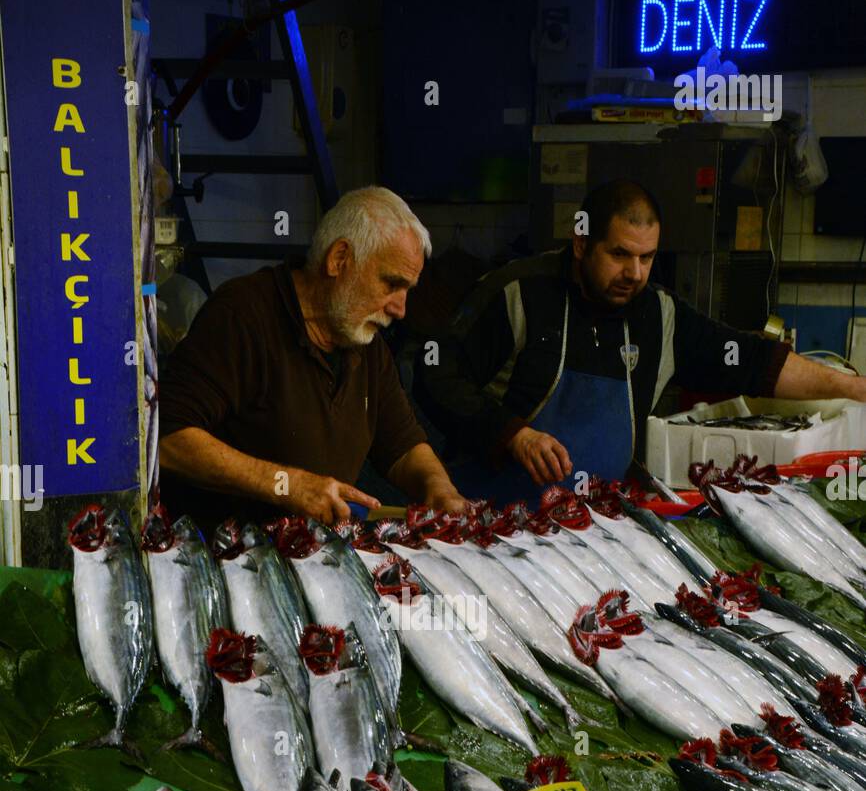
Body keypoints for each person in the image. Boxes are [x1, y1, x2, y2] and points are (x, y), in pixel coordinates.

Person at [419, 179, 866, 500]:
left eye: (646, 257)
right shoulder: (518, 294)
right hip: (484, 522)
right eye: (619, 255)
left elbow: (752, 361)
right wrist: (511, 435)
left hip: (588, 529)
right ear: (581, 244)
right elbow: (435, 373)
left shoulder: (659, 315)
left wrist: (853, 388)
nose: (633, 273)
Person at [158, 186, 468, 532]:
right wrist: (287, 485)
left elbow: (403, 445)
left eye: (407, 290)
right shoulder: (242, 316)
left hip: (316, 553)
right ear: (339, 259)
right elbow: (168, 439)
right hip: (230, 558)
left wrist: (440, 489)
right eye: (391, 284)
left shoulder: (365, 340)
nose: (400, 309)